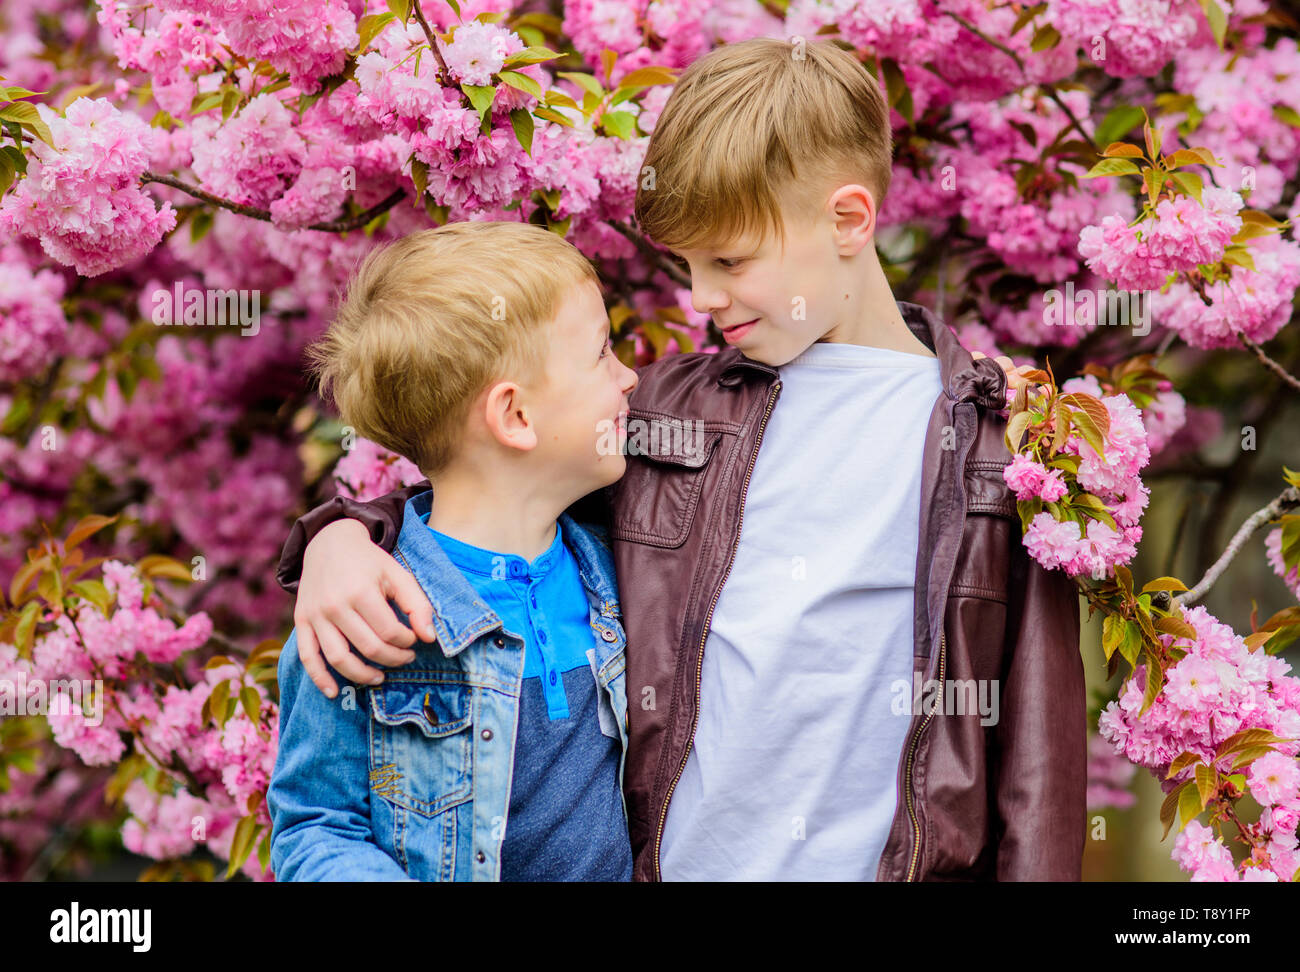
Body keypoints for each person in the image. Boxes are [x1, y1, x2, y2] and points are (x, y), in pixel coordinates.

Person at [276, 38, 1086, 881]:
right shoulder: (670, 414)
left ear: (848, 220)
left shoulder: (1004, 447)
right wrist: (339, 540)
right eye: (689, 266)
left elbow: (1037, 763)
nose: (702, 298)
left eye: (730, 261)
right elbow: (481, 480)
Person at [267, 221, 640, 880]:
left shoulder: (619, 569)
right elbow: (316, 825)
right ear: (515, 417)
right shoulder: (366, 620)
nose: (631, 377)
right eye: (603, 354)